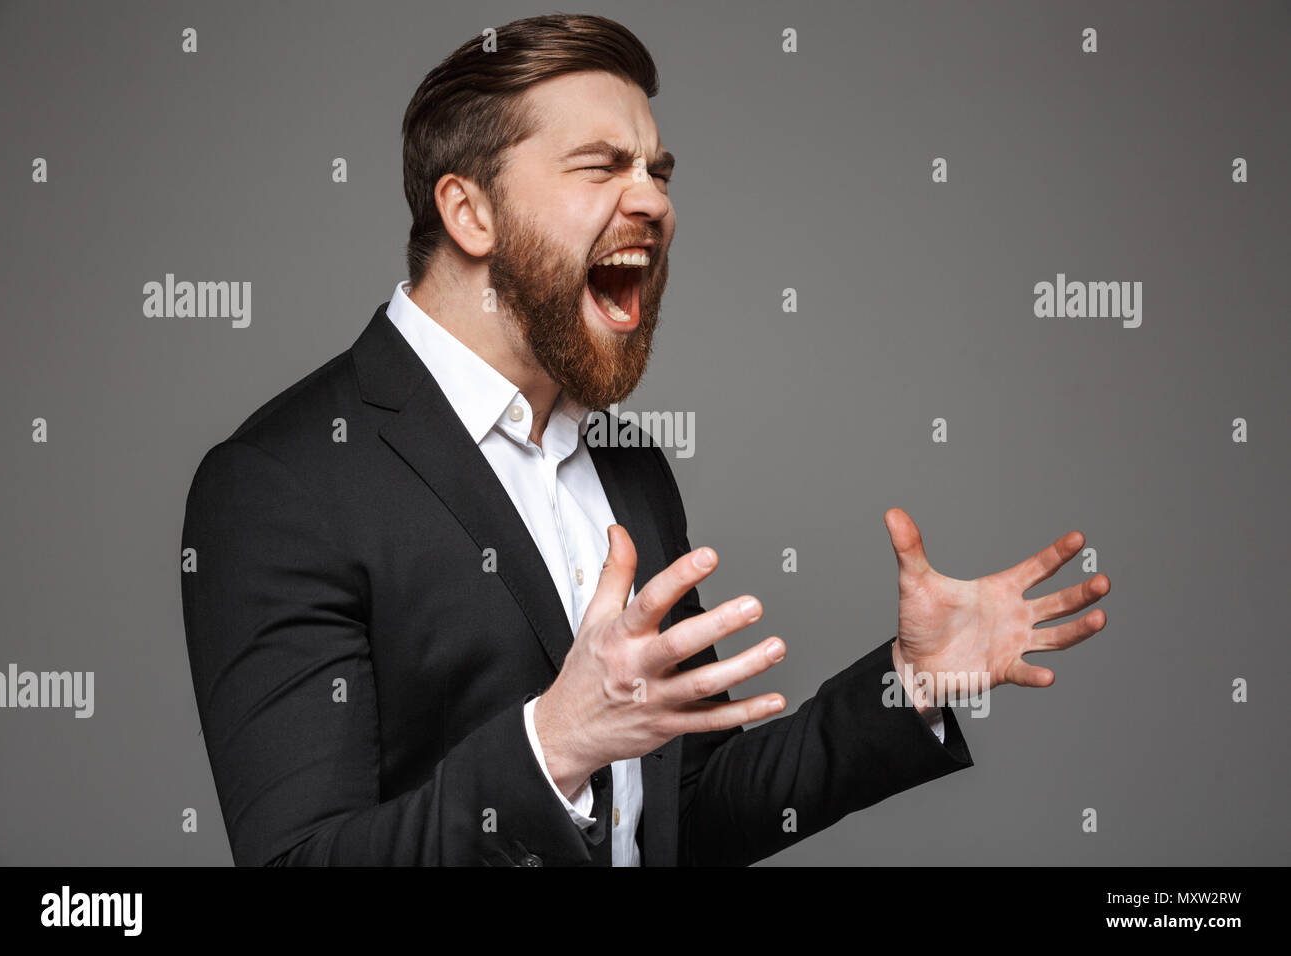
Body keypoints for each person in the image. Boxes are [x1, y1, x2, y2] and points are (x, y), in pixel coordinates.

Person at [179, 13, 1110, 867]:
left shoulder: (627, 467)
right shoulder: (280, 484)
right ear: (470, 214)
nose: (654, 201)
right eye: (602, 166)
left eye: (658, 173)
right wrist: (556, 745)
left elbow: (682, 808)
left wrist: (910, 686)